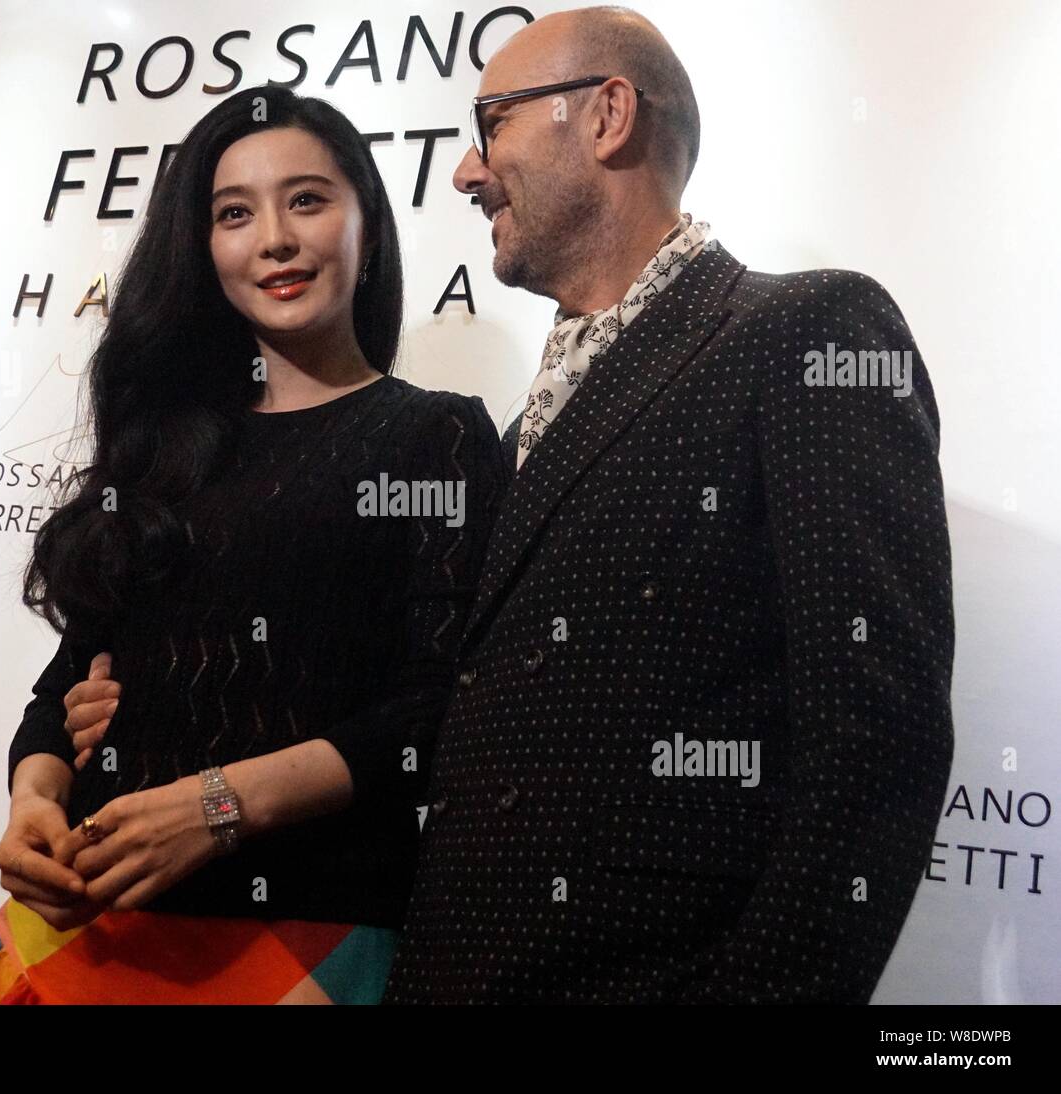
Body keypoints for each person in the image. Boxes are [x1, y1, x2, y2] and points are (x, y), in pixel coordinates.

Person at [0, 84, 506, 1005]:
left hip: (308, 943)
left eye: (308, 200)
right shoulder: (164, 444)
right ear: (203, 248)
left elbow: (430, 714)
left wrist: (217, 808)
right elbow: (68, 681)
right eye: (234, 214)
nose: (275, 240)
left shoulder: (437, 437)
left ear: (367, 219)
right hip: (81, 936)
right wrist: (32, 807)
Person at [379, 6, 955, 1003]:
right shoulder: (518, 431)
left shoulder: (805, 330)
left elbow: (873, 738)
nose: (467, 173)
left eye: (492, 126)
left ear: (605, 116)